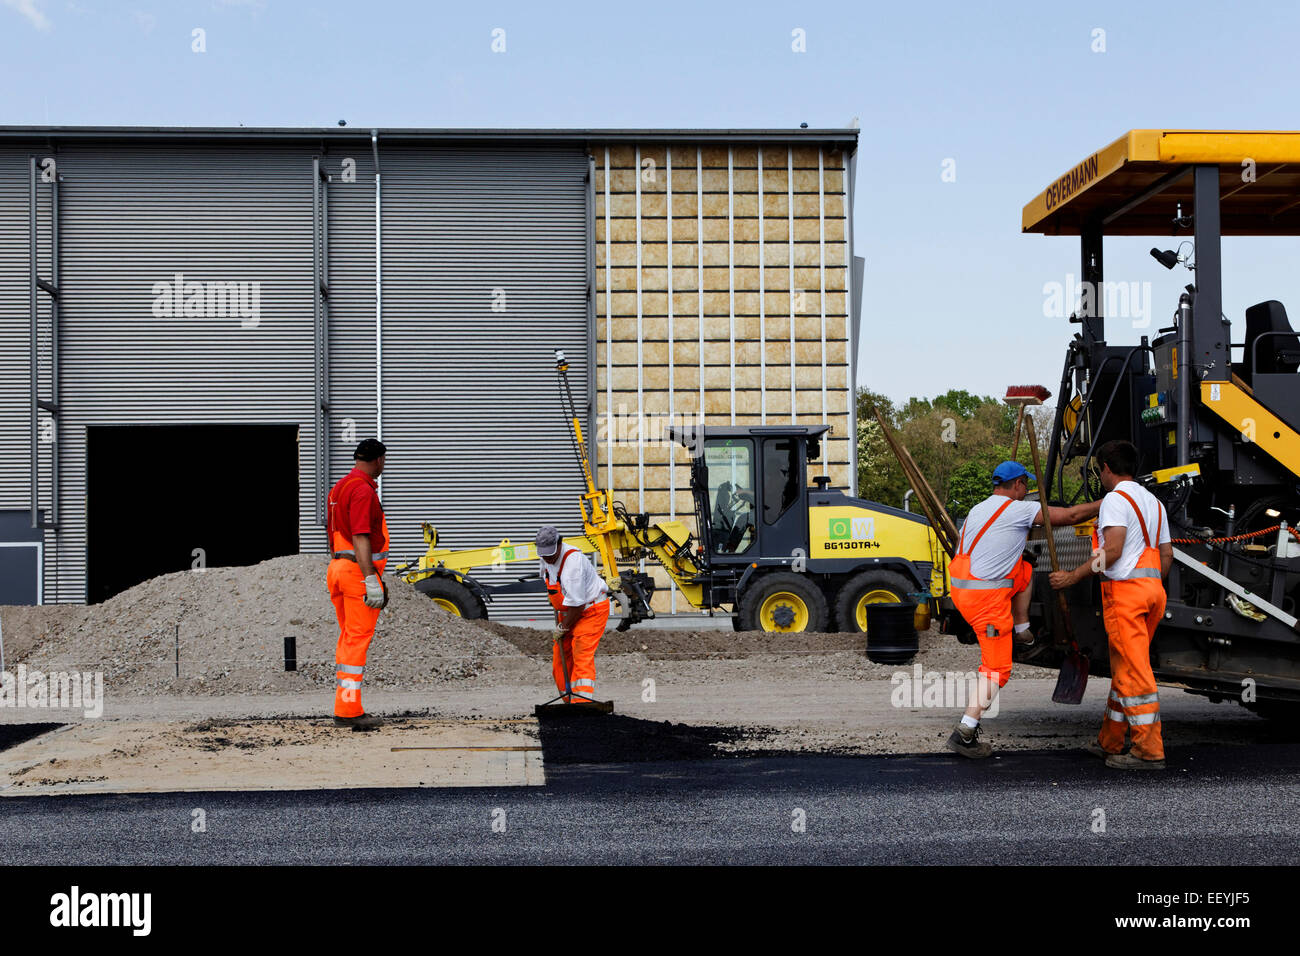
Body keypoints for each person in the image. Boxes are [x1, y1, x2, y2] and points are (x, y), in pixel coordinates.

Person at [946, 460, 1101, 758]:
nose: (1027, 490)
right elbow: (1070, 515)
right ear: (1017, 485)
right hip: (986, 603)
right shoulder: (1020, 509)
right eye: (1025, 485)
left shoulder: (978, 509)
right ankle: (965, 731)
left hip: (964, 588)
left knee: (1025, 567)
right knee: (997, 669)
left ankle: (1022, 631)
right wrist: (1109, 500)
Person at [1051, 440, 1171, 770]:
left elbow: (1113, 551)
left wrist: (1073, 576)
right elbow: (1167, 555)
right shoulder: (1153, 502)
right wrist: (1151, 583)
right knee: (1125, 668)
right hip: (1152, 591)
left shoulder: (1115, 501)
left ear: (1106, 468)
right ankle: (1111, 740)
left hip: (1126, 595)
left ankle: (1149, 751)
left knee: (1134, 672)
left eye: (1098, 470)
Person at [326, 439, 389, 730]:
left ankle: (344, 705)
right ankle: (349, 712)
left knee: (347, 638)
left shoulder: (338, 489)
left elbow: (334, 531)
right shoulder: (363, 490)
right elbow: (361, 535)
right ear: (378, 460)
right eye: (383, 461)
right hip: (355, 573)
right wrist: (370, 579)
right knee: (356, 639)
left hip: (338, 568)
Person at [536, 526, 610, 703]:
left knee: (581, 651)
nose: (547, 558)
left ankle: (582, 704)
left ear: (560, 544)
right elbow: (549, 578)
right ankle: (568, 701)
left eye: (550, 554)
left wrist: (562, 627)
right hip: (570, 611)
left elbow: (578, 605)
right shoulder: (545, 558)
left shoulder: (572, 565)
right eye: (544, 554)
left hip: (590, 610)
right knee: (560, 657)